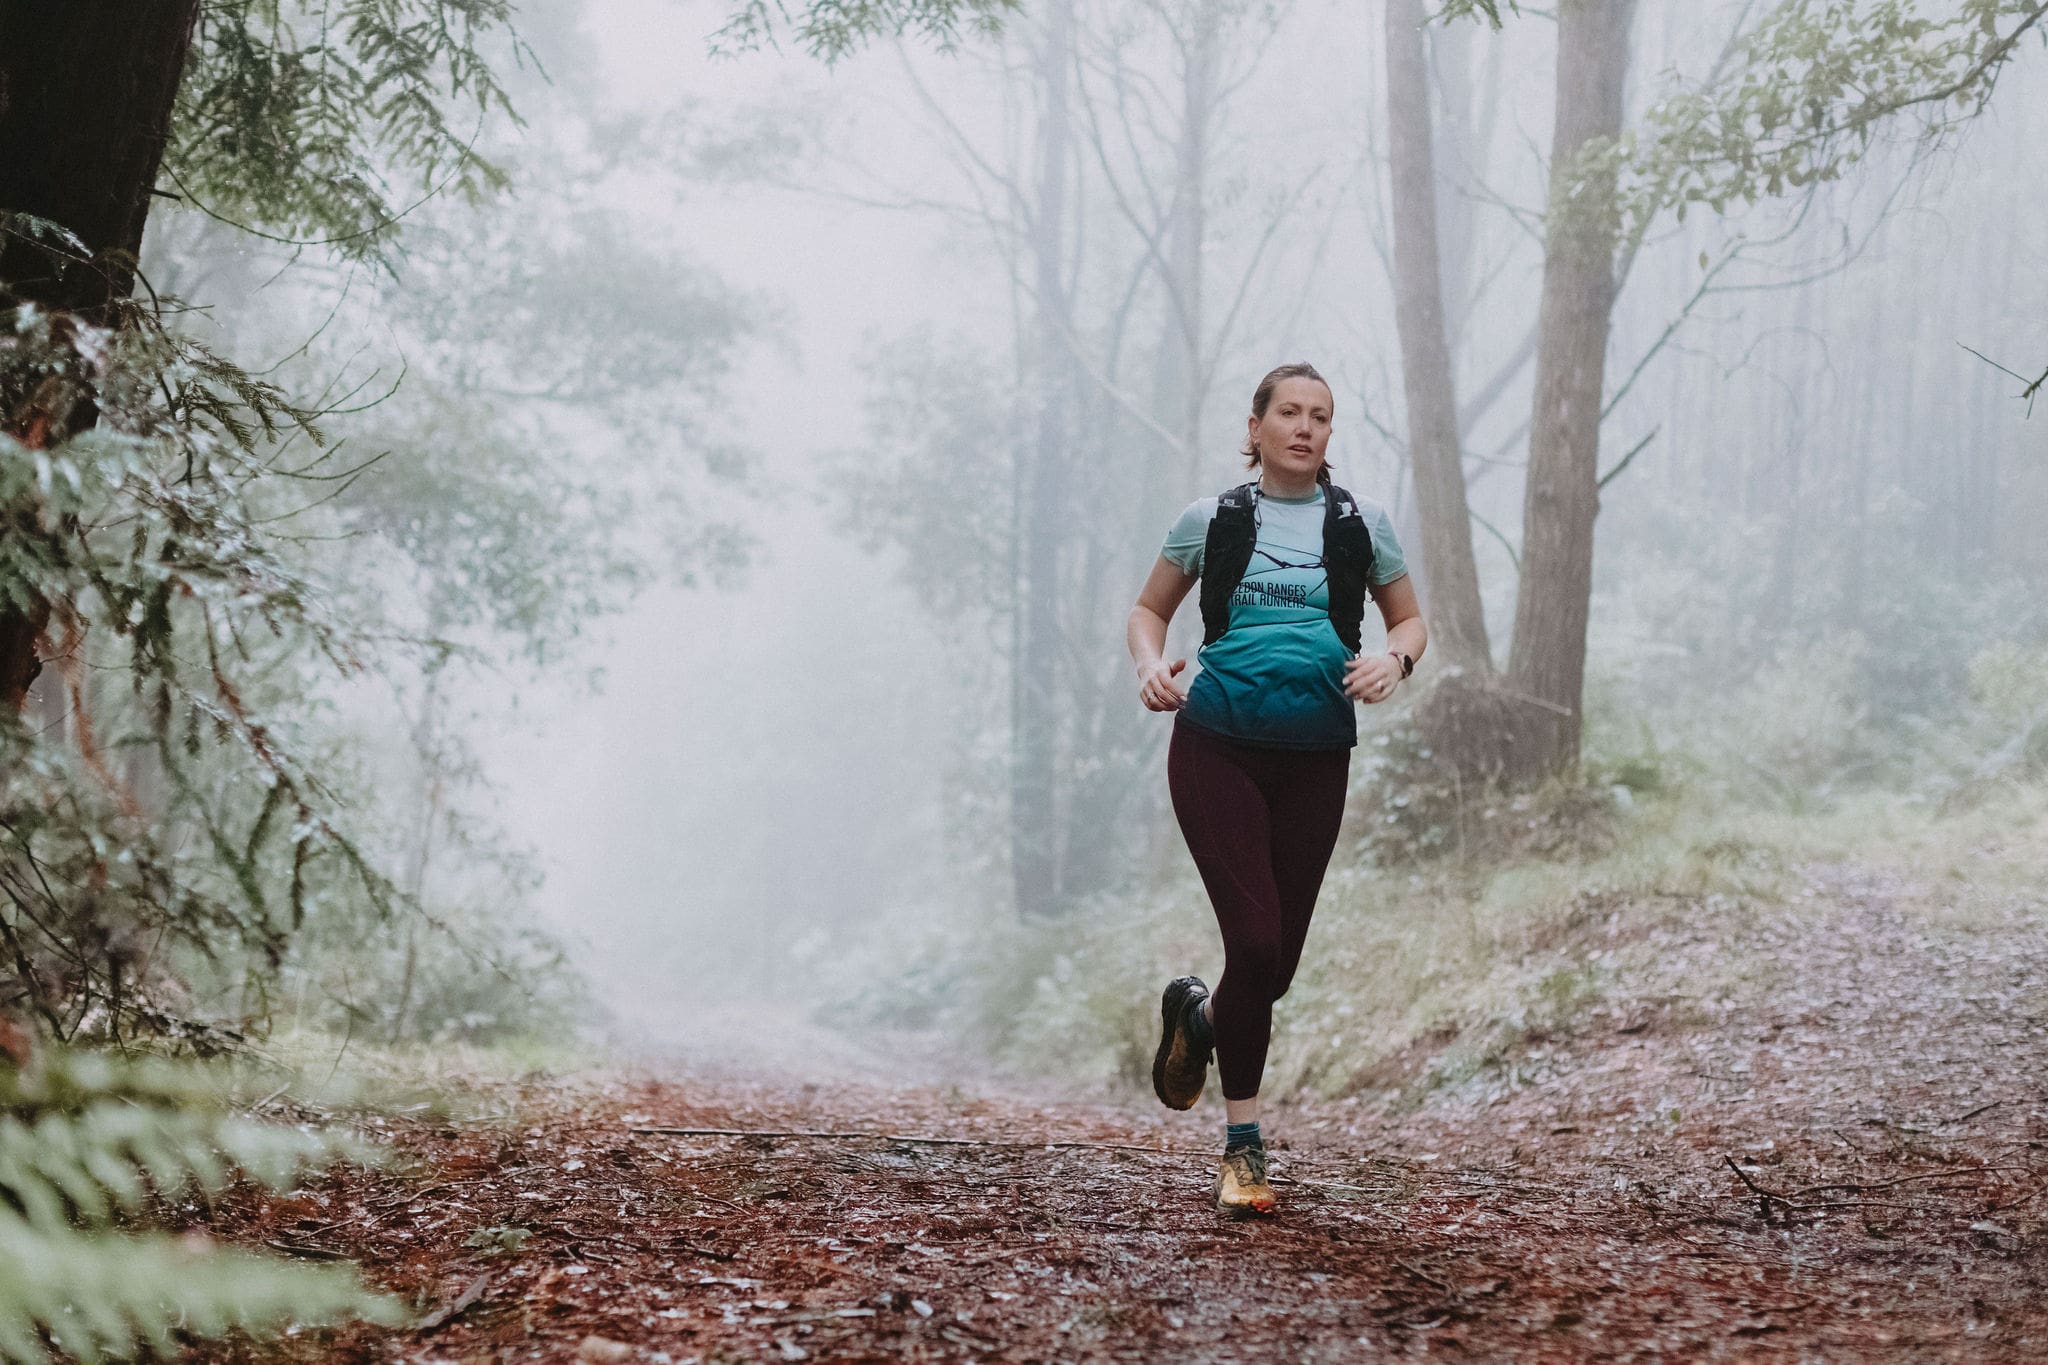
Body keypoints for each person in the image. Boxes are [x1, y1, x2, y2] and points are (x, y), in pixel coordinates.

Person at [1125, 361, 1426, 1216]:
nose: (1305, 427)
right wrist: (1152, 667)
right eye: (1288, 412)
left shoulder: (1360, 523)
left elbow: (1410, 619)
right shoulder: (1212, 518)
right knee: (1255, 944)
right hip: (1216, 742)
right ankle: (1244, 1152)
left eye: (1320, 416)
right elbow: (1149, 610)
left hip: (1316, 754)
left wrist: (1393, 660)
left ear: (1330, 433)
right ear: (1255, 426)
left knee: (1275, 967)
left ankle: (1199, 1017)